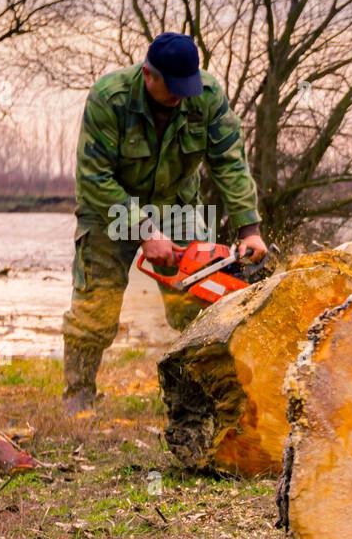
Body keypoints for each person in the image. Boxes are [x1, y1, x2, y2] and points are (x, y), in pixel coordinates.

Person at [64, 32, 266, 413]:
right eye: (171, 88)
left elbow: (229, 162)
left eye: (185, 88)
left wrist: (248, 227)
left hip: (178, 204)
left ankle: (204, 399)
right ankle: (78, 397)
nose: (179, 96)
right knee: (97, 304)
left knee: (203, 302)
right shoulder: (110, 99)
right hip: (110, 207)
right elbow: (94, 179)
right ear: (148, 75)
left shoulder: (205, 96)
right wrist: (144, 230)